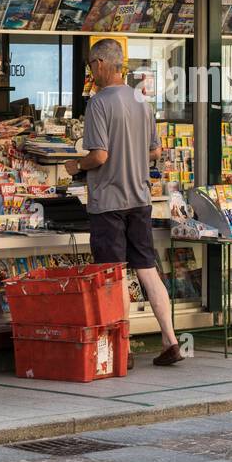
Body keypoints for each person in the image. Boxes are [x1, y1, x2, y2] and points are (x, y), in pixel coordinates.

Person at [65, 38, 183, 366]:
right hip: (140, 199)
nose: (90, 72)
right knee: (147, 269)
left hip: (109, 202)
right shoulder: (140, 100)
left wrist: (77, 165)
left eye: (91, 65)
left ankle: (123, 348)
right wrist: (131, 157)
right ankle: (170, 340)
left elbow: (99, 156)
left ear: (102, 64)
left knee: (113, 275)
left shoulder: (99, 103)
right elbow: (155, 150)